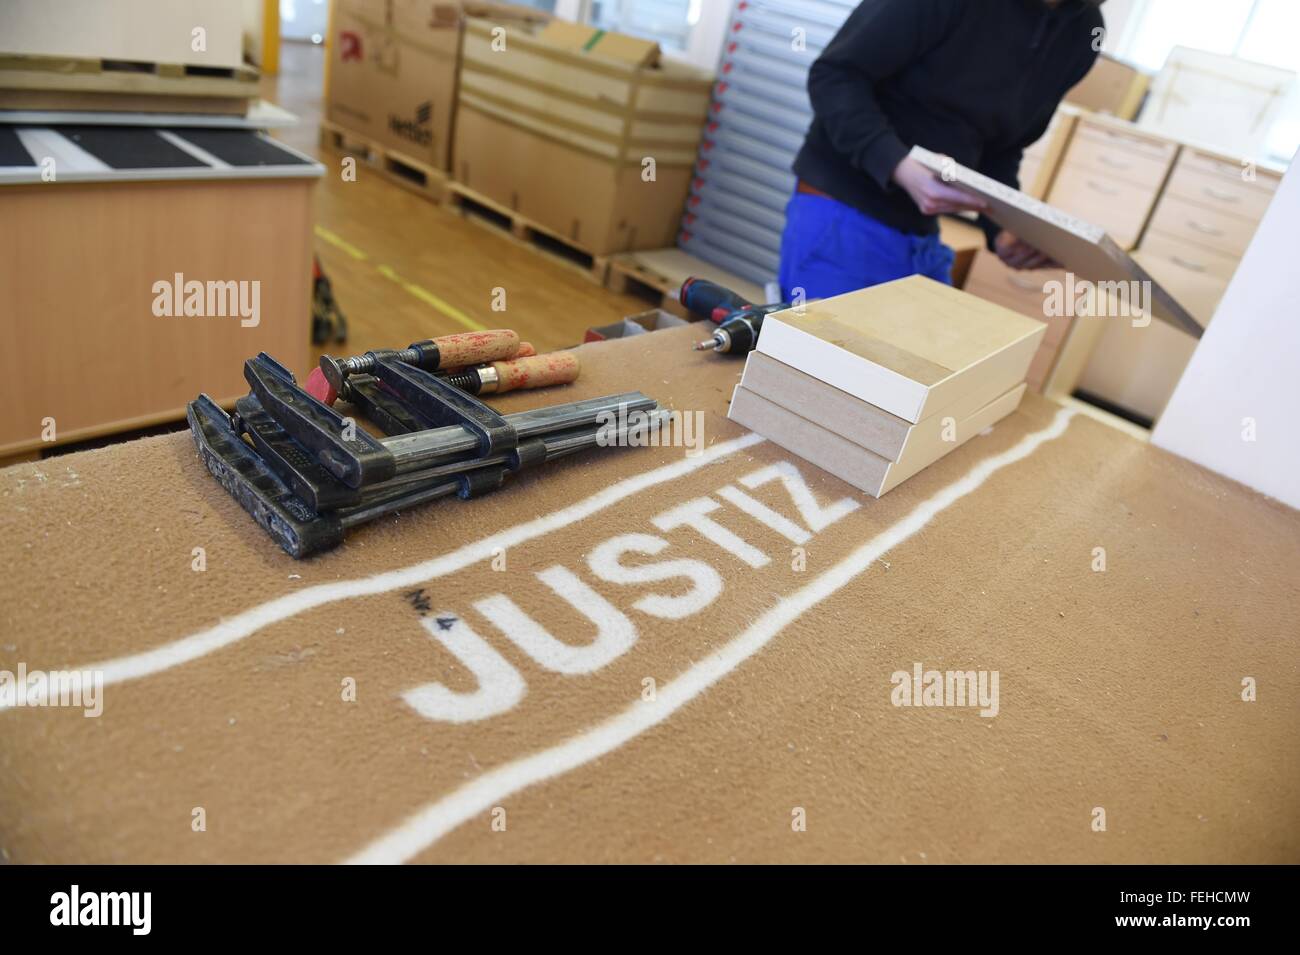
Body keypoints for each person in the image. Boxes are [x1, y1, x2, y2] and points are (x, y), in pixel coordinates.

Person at [779, 0, 1105, 300]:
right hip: (841, 215)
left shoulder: (1083, 32)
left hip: (922, 237)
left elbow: (1001, 148)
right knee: (821, 360)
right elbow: (835, 76)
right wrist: (897, 164)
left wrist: (1003, 229)